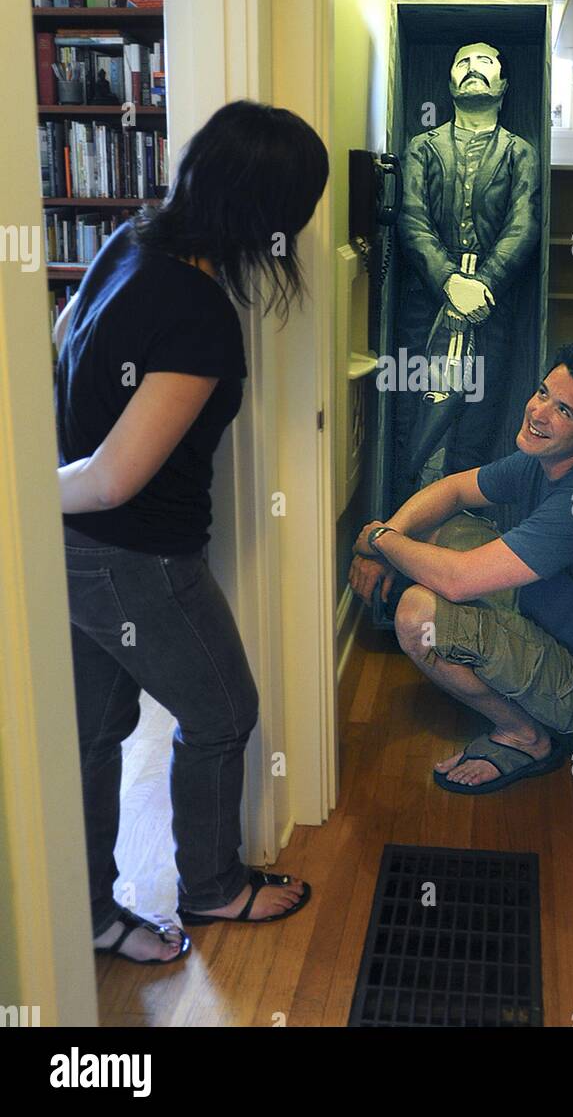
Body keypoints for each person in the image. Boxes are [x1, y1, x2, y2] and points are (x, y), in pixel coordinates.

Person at [55, 99, 328, 963]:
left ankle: (92, 914)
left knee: (95, 733)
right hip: (135, 558)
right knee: (222, 711)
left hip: (77, 556)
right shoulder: (199, 313)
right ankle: (212, 889)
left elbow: (58, 351)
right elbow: (111, 480)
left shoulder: (127, 242)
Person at [350, 340, 573, 794]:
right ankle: (507, 691)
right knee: (430, 531)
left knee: (416, 613)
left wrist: (378, 539)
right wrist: (389, 539)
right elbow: (453, 491)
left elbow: (459, 580)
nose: (539, 412)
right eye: (543, 392)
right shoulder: (542, 458)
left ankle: (526, 737)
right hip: (536, 610)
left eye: (564, 410)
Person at [392, 41, 541, 505]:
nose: (473, 69)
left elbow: (525, 224)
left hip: (491, 308)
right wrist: (448, 281)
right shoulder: (422, 147)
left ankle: (456, 528)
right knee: (413, 406)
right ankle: (401, 522)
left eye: (485, 62)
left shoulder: (521, 153)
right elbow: (411, 219)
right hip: (427, 303)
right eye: (463, 62)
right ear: (450, 82)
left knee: (478, 412)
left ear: (503, 84)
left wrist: (485, 283)